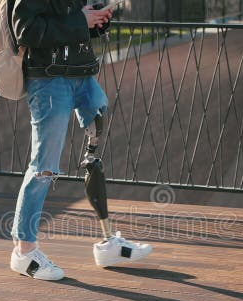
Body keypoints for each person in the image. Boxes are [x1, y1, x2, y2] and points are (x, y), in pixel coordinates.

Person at [9, 0, 152, 281]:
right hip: (50, 81)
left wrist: (96, 20)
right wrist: (80, 21)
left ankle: (108, 242)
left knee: (93, 149)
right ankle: (24, 252)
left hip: (81, 76)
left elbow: (69, 20)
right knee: (44, 167)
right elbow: (26, 30)